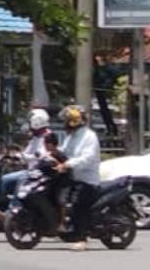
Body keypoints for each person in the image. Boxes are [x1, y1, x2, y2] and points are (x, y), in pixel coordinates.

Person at [56, 104, 100, 251]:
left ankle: (82, 238)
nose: (65, 124)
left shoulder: (89, 136)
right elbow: (63, 151)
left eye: (67, 120)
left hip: (86, 180)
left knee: (78, 204)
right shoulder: (71, 137)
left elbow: (87, 158)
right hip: (71, 177)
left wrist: (68, 164)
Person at [0, 108, 51, 197]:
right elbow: (26, 153)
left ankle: (15, 207)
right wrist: (11, 155)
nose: (29, 125)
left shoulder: (47, 137)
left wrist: (20, 156)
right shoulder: (37, 137)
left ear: (37, 122)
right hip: (30, 171)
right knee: (4, 179)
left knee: (18, 182)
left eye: (30, 122)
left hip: (37, 174)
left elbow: (39, 155)